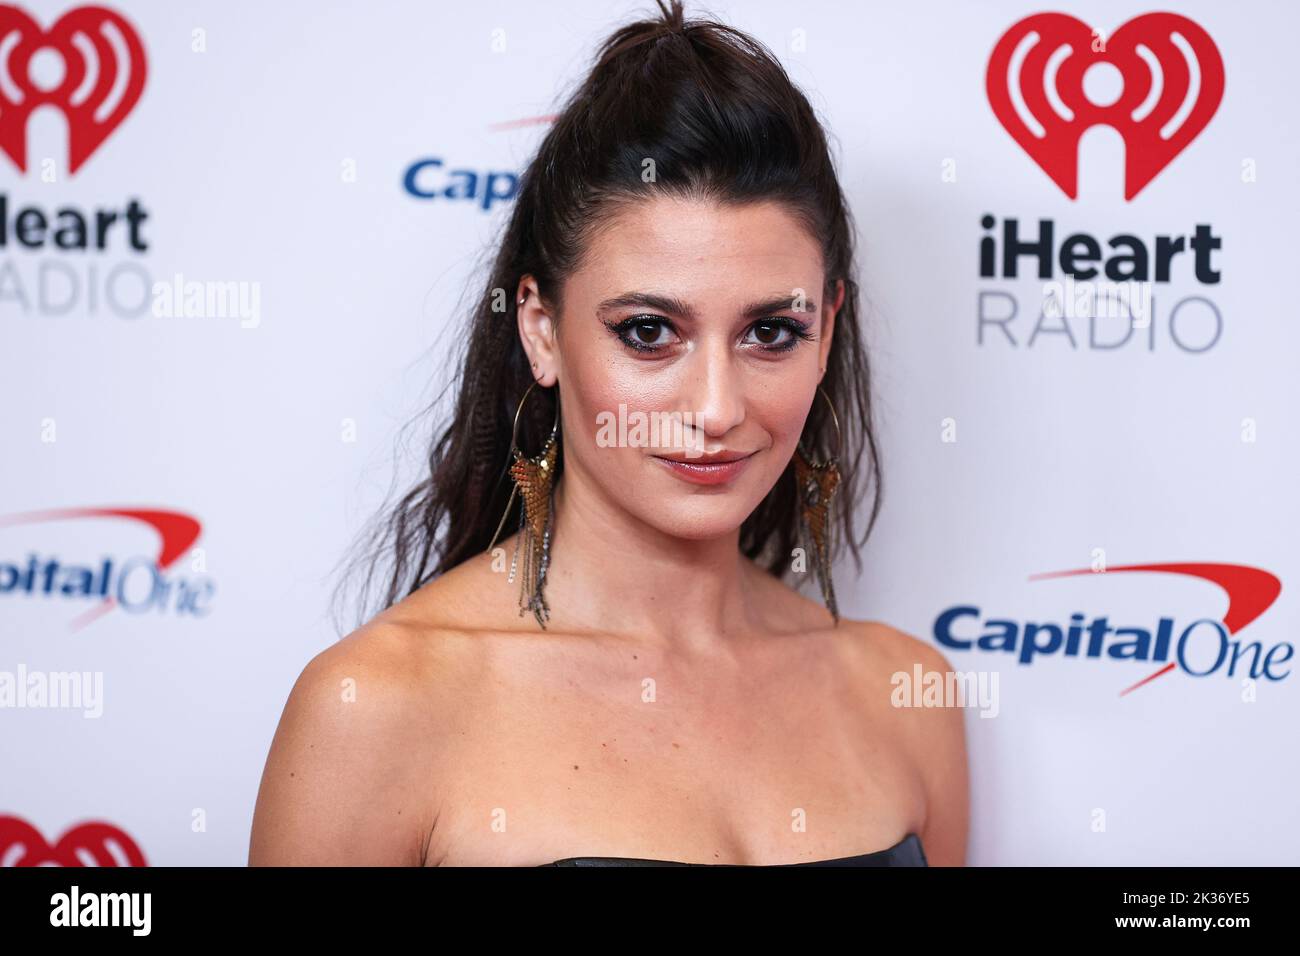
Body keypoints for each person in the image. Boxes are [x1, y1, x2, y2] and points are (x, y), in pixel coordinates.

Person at [249, 0, 969, 867]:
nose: (715, 408)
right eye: (648, 332)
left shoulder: (906, 695)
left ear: (828, 330)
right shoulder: (377, 706)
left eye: (770, 332)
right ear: (542, 331)